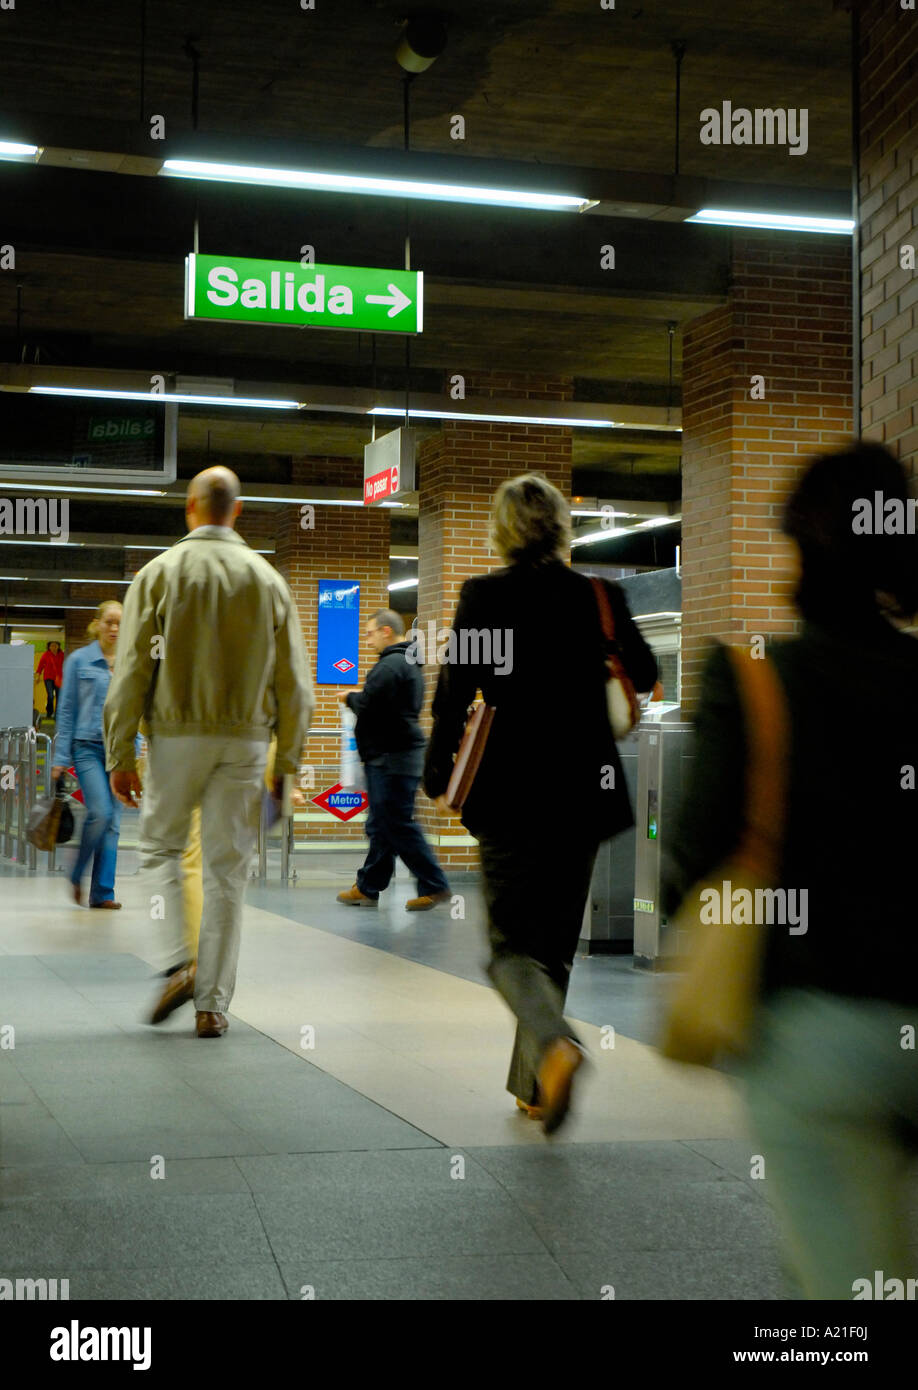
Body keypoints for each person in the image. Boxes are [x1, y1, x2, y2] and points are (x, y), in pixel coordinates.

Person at [662, 441, 918, 1299]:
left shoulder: (756, 680)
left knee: (845, 1284)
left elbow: (694, 860)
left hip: (816, 1040)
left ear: (800, 543)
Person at [423, 473, 657, 1133]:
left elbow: (453, 693)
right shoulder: (601, 596)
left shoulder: (484, 596)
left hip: (512, 792)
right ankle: (534, 1087)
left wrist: (438, 773)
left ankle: (556, 1047)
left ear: (503, 530)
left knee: (507, 948)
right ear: (560, 528)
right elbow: (641, 674)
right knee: (552, 945)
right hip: (587, 792)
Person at [103, 465, 315, 1039]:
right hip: (247, 740)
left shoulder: (158, 574)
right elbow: (296, 683)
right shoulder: (268, 580)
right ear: (237, 511)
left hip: (174, 736)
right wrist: (288, 763)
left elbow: (132, 672)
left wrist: (120, 751)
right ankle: (212, 1005)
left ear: (190, 509)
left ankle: (180, 961)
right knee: (227, 870)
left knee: (160, 849)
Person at [336, 609, 451, 911]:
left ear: (387, 631)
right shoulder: (408, 662)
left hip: (391, 758)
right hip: (395, 757)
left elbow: (370, 705)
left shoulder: (390, 664)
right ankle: (368, 885)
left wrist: (350, 697)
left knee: (397, 824)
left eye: (371, 632)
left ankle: (434, 884)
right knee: (381, 824)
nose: (367, 638)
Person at [51, 604, 124, 909]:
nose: (115, 629)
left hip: (119, 752)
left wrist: (133, 758)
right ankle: (77, 873)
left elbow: (134, 712)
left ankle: (102, 893)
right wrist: (59, 757)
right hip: (86, 748)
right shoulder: (79, 660)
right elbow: (66, 710)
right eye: (109, 622)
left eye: (121, 623)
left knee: (113, 824)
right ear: (97, 624)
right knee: (101, 813)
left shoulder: (129, 663)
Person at [36, 641, 63, 721]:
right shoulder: (46, 655)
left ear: (58, 646)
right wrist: (38, 675)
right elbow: (40, 665)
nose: (53, 647)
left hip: (59, 678)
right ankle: (49, 711)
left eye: (55, 645)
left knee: (59, 696)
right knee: (51, 695)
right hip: (48, 678)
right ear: (49, 647)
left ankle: (57, 715)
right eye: (52, 646)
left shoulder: (62, 655)